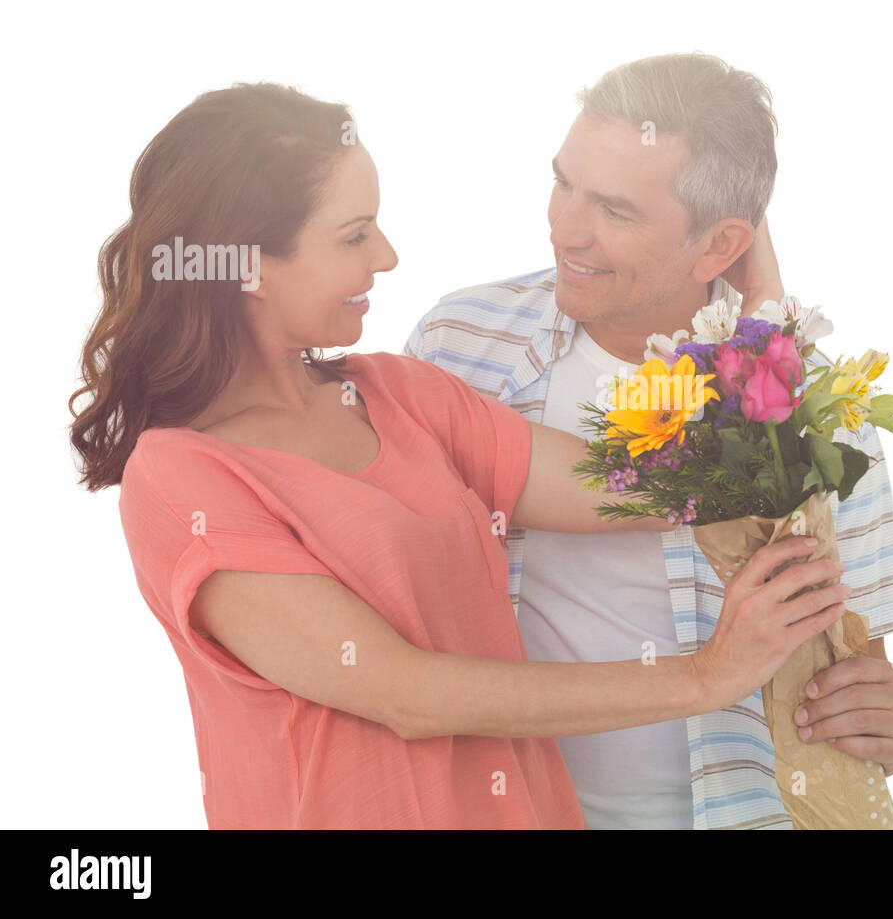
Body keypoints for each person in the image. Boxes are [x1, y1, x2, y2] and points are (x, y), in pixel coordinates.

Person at [69, 82, 850, 829]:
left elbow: (657, 489)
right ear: (244, 264)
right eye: (353, 235)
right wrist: (705, 677)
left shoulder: (403, 395)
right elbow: (404, 693)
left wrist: (759, 309)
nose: (388, 256)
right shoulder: (182, 479)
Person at [405, 53, 893, 830]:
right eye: (562, 182)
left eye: (614, 209)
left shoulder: (821, 407)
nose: (563, 229)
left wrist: (878, 712)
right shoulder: (457, 348)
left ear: (720, 247)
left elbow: (855, 657)